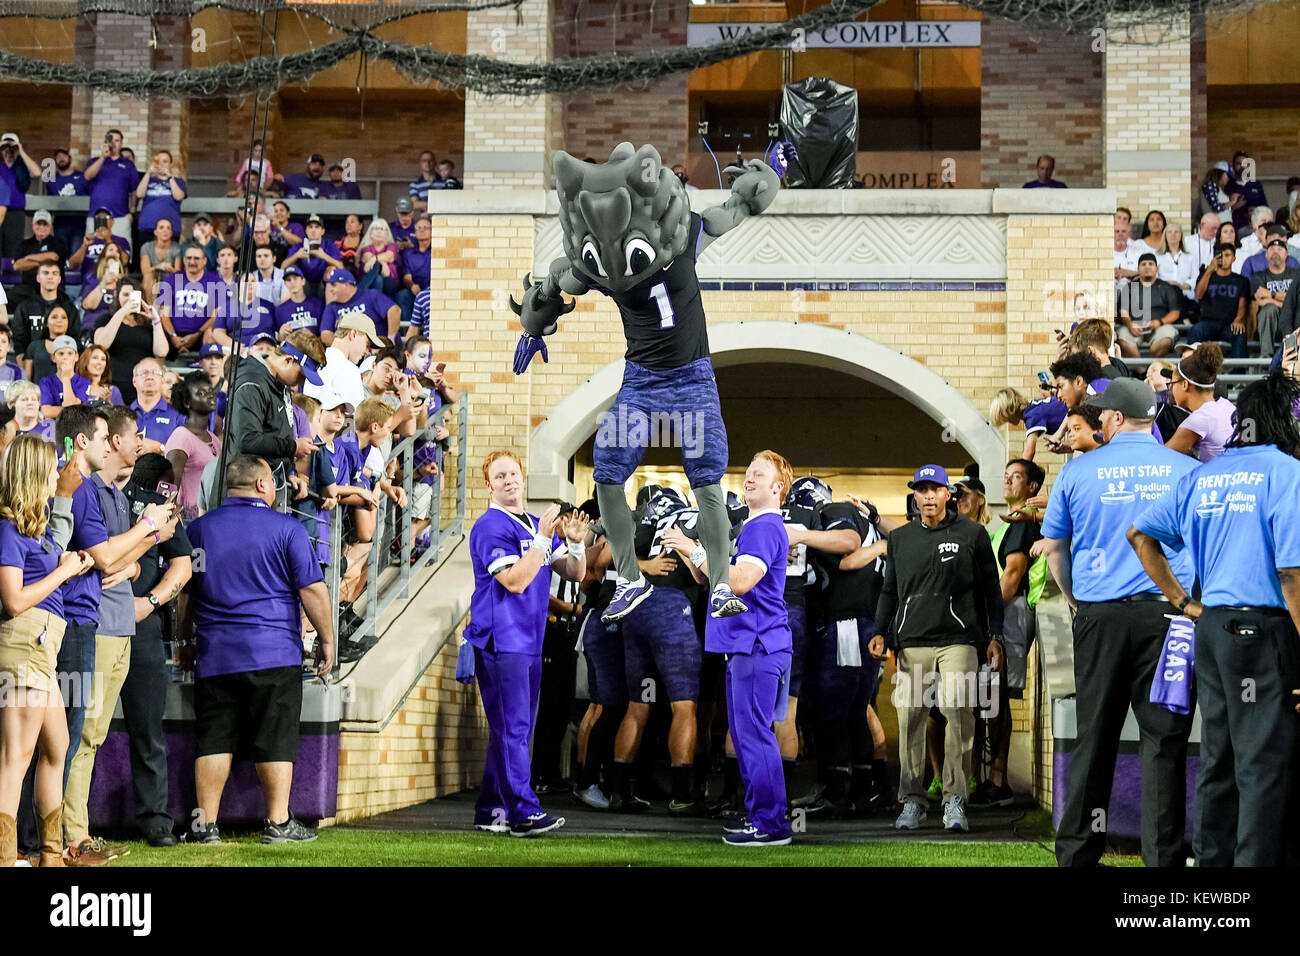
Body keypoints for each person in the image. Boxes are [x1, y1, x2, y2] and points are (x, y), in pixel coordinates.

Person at [1129, 374, 1300, 866]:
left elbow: (1139, 533)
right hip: (1264, 632)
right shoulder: (1286, 474)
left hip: (1213, 629)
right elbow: (1291, 575)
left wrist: (1183, 603)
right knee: (1263, 764)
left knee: (1218, 760)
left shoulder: (1203, 476)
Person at [1040, 377, 1198, 867]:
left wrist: (1077, 602)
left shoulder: (1077, 472)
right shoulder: (1185, 470)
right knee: (1164, 743)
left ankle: (1077, 857)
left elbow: (1055, 551)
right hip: (1170, 618)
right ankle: (1163, 862)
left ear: (1113, 419)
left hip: (1100, 616)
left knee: (1094, 740)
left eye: (1102, 414)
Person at [182, 455, 335, 845]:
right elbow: (312, 590)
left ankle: (205, 827)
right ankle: (278, 823)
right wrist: (328, 639)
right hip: (274, 653)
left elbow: (184, 594)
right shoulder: (287, 528)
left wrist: (185, 641)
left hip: (215, 653)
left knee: (214, 738)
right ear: (264, 485)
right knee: (276, 737)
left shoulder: (197, 530)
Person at [53, 404, 178, 865]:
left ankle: (72, 835)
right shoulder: (85, 490)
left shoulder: (115, 494)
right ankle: (72, 838)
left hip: (120, 626)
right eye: (113, 437)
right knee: (82, 734)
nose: (123, 444)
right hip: (95, 624)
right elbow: (106, 561)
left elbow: (125, 564)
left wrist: (144, 541)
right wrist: (147, 532)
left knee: (94, 734)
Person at [872, 465, 1003, 834]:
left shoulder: (973, 534)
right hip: (912, 640)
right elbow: (889, 591)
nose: (929, 496)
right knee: (911, 717)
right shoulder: (901, 539)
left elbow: (991, 590)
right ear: (915, 495)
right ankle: (912, 801)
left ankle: (955, 799)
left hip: (960, 639)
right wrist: (880, 631)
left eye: (936, 490)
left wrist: (996, 635)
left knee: (958, 713)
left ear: (950, 494)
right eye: (922, 490)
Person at [464, 450, 588, 836]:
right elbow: (515, 581)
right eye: (499, 476)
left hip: (529, 640)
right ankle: (522, 812)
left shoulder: (533, 525)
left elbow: (574, 572)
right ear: (488, 485)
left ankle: (491, 810)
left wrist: (577, 544)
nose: (509, 480)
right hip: (503, 640)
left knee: (509, 729)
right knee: (515, 729)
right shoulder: (490, 527)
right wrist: (542, 540)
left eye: (513, 473)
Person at [689, 451, 795, 846]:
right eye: (748, 473)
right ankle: (763, 818)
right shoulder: (754, 527)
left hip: (757, 644)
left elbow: (740, 581)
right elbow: (712, 580)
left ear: (777, 487)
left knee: (753, 734)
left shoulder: (763, 528)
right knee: (748, 733)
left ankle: (770, 824)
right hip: (750, 645)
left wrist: (699, 551)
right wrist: (690, 548)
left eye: (759, 474)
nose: (749, 478)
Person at [0, 435, 95, 868]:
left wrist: (69, 567)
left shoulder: (31, 529)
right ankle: (4, 855)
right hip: (24, 646)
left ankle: (51, 856)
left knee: (57, 749)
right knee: (15, 758)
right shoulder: (6, 529)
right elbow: (15, 600)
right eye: (53, 467)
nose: (59, 474)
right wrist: (63, 573)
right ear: (33, 473)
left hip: (45, 650)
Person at [971, 459, 1047, 808]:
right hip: (1005, 614)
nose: (1007, 480)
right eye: (1005, 475)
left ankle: (998, 781)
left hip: (1010, 613)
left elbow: (1013, 575)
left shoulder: (1020, 526)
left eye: (1016, 477)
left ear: (1031, 488)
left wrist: (988, 616)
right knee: (992, 697)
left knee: (998, 696)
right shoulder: (1009, 524)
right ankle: (990, 778)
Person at [227, 329, 327, 505]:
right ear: (288, 360)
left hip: (270, 484)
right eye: (302, 375)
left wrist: (290, 473)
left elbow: (279, 430)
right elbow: (247, 440)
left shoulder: (279, 382)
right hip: (247, 490)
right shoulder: (252, 383)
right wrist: (294, 446)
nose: (302, 383)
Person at [93, 289, 167, 407]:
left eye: (134, 295)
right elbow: (100, 344)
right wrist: (122, 312)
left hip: (142, 385)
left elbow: (162, 352)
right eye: (126, 294)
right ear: (118, 297)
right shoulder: (106, 319)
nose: (130, 299)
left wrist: (156, 320)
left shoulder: (148, 324)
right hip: (115, 384)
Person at [165, 372, 221, 524]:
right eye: (201, 393)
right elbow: (171, 483)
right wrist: (171, 520)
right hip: (188, 519)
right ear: (188, 402)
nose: (210, 396)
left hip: (210, 516)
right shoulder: (181, 436)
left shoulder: (214, 438)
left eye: (211, 391)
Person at [1166, 343, 1235, 462]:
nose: (1170, 389)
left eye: (1172, 384)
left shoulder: (1200, 419)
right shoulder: (1228, 406)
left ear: (1184, 385)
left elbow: (1162, 456)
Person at [1189, 241, 1250, 358]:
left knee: (1240, 333)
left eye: (1227, 255)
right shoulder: (1206, 275)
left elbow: (1243, 304)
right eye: (1221, 255)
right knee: (1195, 331)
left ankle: (1238, 373)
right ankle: (1191, 369)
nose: (1223, 259)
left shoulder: (1241, 280)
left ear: (1234, 259)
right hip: (1207, 322)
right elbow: (1198, 294)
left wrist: (1238, 319)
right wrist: (1209, 270)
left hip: (1229, 323)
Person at [1117, 253, 1182, 358]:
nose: (1147, 267)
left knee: (1166, 338)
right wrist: (1130, 325)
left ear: (1157, 268)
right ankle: (1142, 371)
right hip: (1135, 327)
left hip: (1159, 327)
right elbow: (1123, 312)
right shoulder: (1128, 288)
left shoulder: (1167, 287)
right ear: (1138, 269)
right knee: (1123, 337)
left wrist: (1160, 322)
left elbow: (1175, 312)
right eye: (1143, 264)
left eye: (1151, 264)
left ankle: (1152, 368)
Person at [10, 262, 79, 357]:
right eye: (46, 273)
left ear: (59, 279)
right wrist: (24, 369)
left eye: (54, 273)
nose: (50, 277)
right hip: (32, 363)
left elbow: (75, 339)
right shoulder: (24, 307)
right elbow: (19, 342)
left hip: (64, 362)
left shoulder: (69, 308)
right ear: (38, 278)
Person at [81, 130, 138, 243]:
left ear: (121, 144)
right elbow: (87, 176)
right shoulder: (95, 161)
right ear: (106, 142)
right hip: (95, 217)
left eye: (117, 140)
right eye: (111, 140)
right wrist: (103, 157)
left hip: (120, 217)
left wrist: (132, 212)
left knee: (122, 253)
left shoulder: (128, 164)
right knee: (93, 253)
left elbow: (134, 189)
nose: (113, 143)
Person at [1248, 232, 1299, 355]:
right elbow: (1260, 300)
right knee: (1269, 309)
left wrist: (1271, 295)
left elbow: (1297, 301)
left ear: (1286, 254)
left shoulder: (1296, 274)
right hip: (1270, 324)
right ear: (1266, 255)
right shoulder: (1258, 276)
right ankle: (1266, 357)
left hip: (1293, 322)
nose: (1275, 252)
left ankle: (1293, 357)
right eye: (1271, 249)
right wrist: (1288, 299)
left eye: (1279, 249)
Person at [320, 268, 400, 344]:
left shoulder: (371, 295)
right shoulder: (331, 307)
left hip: (381, 350)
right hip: (351, 355)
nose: (330, 289)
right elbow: (325, 335)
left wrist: (391, 338)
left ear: (346, 284)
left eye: (334, 285)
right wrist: (349, 347)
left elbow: (394, 310)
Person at [990, 386, 1066, 461]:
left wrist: (1020, 469)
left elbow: (1029, 451)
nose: (1008, 422)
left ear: (1010, 411)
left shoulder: (1031, 417)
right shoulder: (1034, 404)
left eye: (1006, 419)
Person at [131, 357, 181, 455]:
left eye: (155, 373)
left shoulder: (178, 416)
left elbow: (188, 456)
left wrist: (160, 448)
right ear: (134, 381)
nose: (149, 377)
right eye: (144, 373)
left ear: (162, 380)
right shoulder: (124, 416)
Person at [133, 150, 186, 240]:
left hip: (170, 229)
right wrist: (148, 173)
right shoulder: (148, 180)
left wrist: (169, 177)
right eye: (159, 162)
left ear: (171, 164)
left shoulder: (178, 181)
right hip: (148, 226)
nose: (162, 165)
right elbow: (139, 194)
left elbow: (178, 196)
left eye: (165, 161)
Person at [36, 334, 89, 420]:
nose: (65, 357)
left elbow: (72, 410)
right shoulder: (46, 381)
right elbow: (47, 412)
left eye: (70, 353)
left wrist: (65, 378)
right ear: (53, 358)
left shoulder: (84, 382)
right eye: (61, 354)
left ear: (76, 357)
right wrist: (73, 408)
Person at [23, 307, 74, 387]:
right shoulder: (34, 346)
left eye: (63, 317)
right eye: (54, 317)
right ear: (46, 322)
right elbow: (27, 380)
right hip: (39, 397)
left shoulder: (76, 348)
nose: (59, 320)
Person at [359, 219, 401, 298]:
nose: (379, 232)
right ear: (371, 233)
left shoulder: (391, 246)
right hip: (372, 282)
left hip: (389, 283)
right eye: (376, 229)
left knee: (377, 265)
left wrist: (375, 258)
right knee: (377, 278)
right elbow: (368, 265)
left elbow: (386, 273)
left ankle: (359, 291)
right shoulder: (365, 249)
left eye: (382, 229)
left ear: (387, 234)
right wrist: (382, 261)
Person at [139, 220, 181, 298]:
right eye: (161, 227)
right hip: (153, 277)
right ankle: (149, 306)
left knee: (176, 278)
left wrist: (170, 268)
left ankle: (169, 307)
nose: (165, 230)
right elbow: (145, 271)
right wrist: (158, 266)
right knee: (148, 276)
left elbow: (178, 272)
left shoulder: (177, 248)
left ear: (171, 233)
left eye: (168, 228)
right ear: (155, 232)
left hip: (169, 276)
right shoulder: (147, 247)